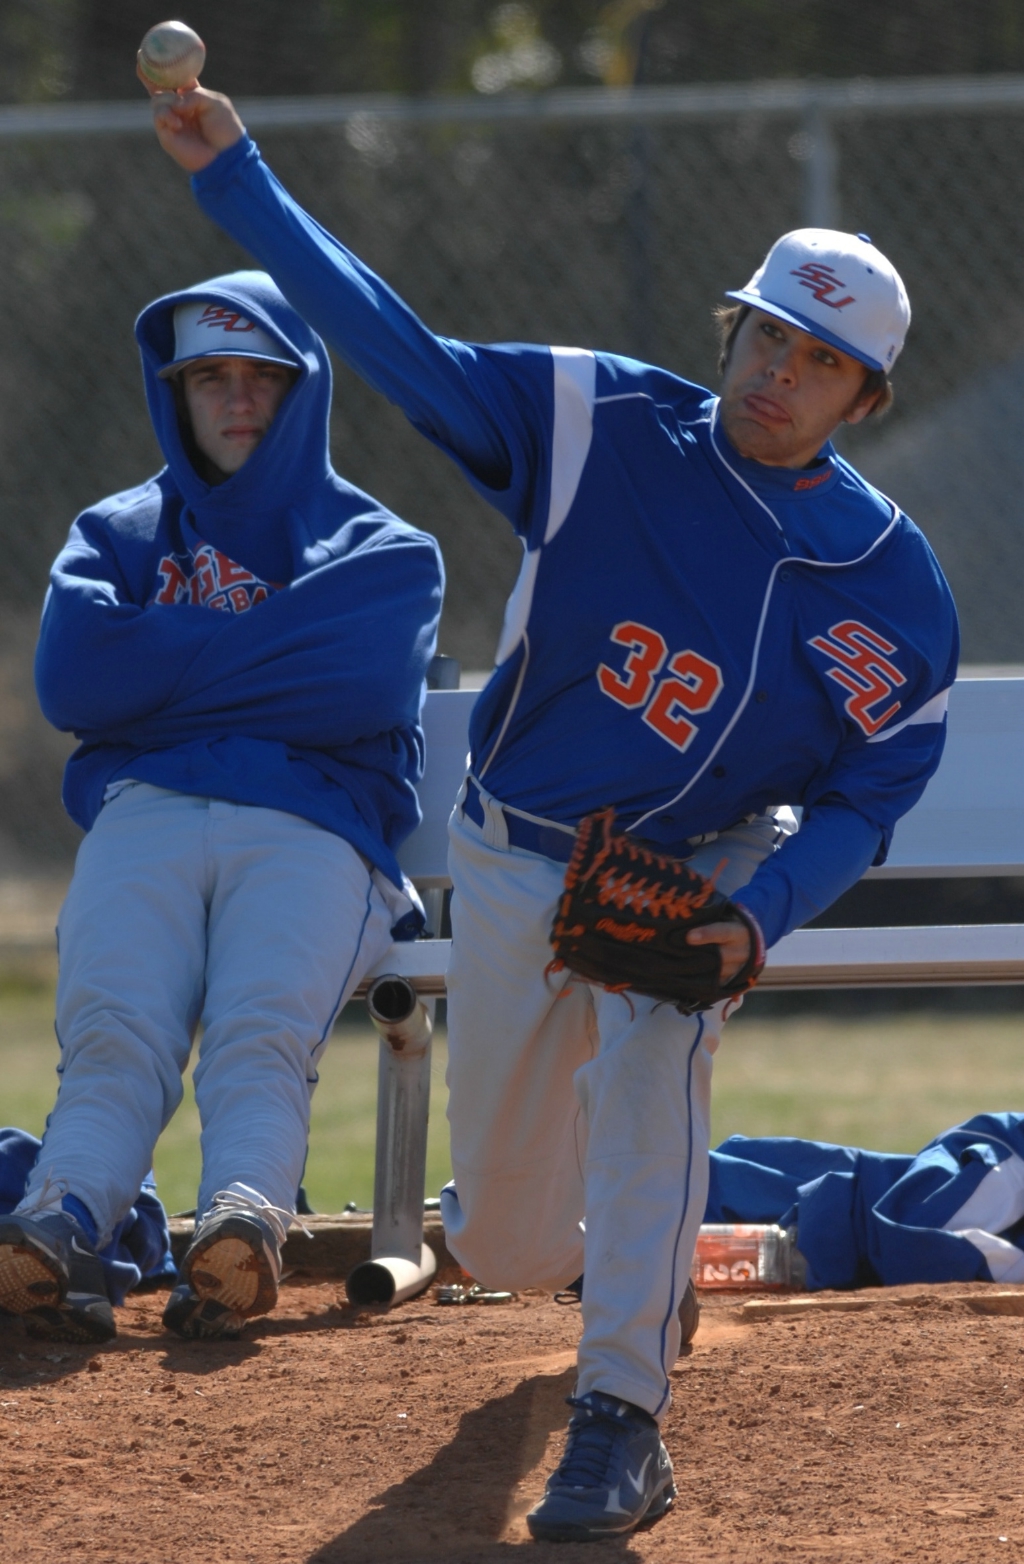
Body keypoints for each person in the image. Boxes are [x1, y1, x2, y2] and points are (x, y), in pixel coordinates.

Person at [149, 89, 958, 1542]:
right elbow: (398, 344)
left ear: (863, 399)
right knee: (514, 1243)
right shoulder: (601, 426)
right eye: (769, 335)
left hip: (696, 867)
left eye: (823, 360)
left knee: (655, 1069)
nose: (781, 372)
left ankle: (622, 1418)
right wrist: (239, 181)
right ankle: (629, 1260)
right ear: (732, 330)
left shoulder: (891, 589)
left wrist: (757, 912)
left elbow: (875, 787)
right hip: (519, 855)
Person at [0, 270, 443, 1345]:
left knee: (257, 1030)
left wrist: (160, 677)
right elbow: (73, 678)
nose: (238, 400)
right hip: (147, 812)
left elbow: (356, 685)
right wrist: (273, 651)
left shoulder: (384, 548)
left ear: (305, 388)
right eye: (210, 378)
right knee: (113, 1034)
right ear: (177, 394)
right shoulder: (116, 531)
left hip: (311, 828)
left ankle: (243, 1223)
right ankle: (59, 1221)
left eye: (262, 377)